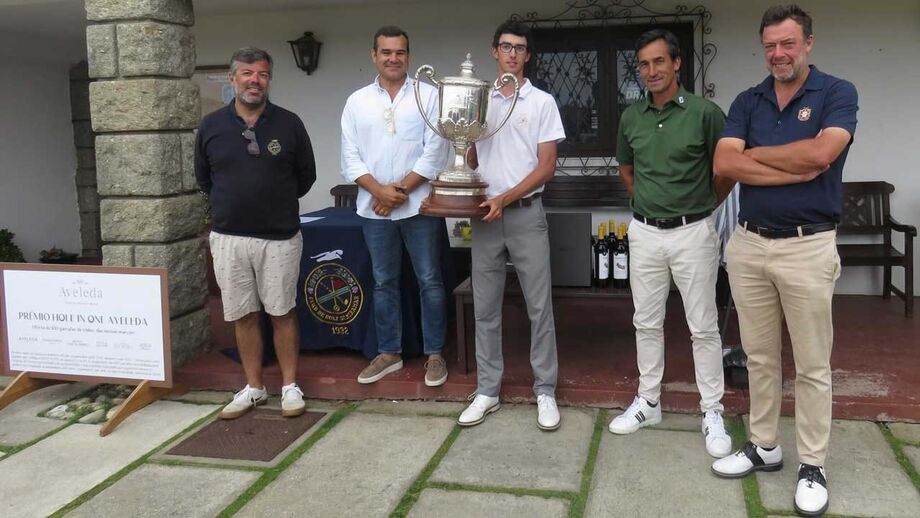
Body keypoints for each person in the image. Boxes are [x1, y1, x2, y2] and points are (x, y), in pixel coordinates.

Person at [709, 6, 858, 516]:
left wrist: (760, 154)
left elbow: (821, 156)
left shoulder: (837, 93)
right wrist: (790, 163)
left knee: (813, 365)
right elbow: (725, 162)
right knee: (759, 357)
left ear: (808, 44)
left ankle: (812, 464)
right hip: (749, 245)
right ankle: (764, 446)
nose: (779, 54)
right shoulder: (748, 100)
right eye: (771, 45)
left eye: (788, 43)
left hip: (808, 245)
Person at [607, 29, 735, 458]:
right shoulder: (631, 117)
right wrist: (648, 203)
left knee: (703, 326)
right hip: (644, 232)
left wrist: (701, 206)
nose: (651, 71)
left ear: (677, 63)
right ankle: (649, 401)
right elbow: (628, 170)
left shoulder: (704, 113)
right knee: (645, 321)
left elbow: (727, 169)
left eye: (659, 61)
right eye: (643, 64)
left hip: (693, 232)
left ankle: (712, 410)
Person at [455, 20, 565, 431]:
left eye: (520, 48)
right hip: (485, 216)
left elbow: (547, 167)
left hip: (524, 214)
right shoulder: (479, 101)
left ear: (527, 55)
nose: (513, 54)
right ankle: (487, 390)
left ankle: (545, 390)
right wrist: (462, 146)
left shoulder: (542, 102)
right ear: (494, 51)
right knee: (485, 308)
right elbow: (470, 162)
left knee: (540, 307)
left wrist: (506, 197)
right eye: (506, 46)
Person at [196, 47, 316, 419]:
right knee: (242, 313)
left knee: (282, 311)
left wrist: (270, 199)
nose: (255, 81)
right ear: (232, 79)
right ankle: (253, 387)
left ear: (269, 80)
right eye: (247, 74)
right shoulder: (211, 126)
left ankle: (290, 387)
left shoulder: (289, 123)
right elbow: (204, 178)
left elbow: (305, 177)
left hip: (279, 238)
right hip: (230, 238)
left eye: (262, 74)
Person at [341, 26, 451, 386]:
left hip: (419, 206)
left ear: (409, 56)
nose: (393, 58)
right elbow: (350, 156)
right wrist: (378, 191)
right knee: (383, 282)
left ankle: (435, 354)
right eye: (386, 52)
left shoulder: (428, 95)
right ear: (374, 55)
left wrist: (398, 191)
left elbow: (435, 150)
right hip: (374, 210)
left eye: (400, 52)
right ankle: (389, 352)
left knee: (430, 281)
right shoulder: (358, 101)